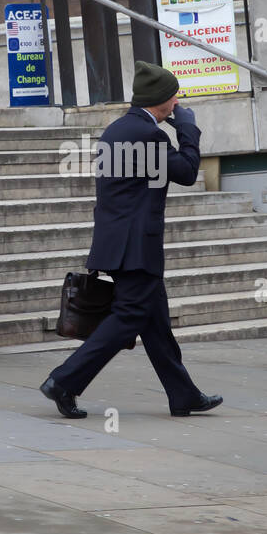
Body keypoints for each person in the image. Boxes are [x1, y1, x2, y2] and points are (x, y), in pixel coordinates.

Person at [40, 61, 222, 419]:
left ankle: (183, 394)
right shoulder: (147, 134)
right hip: (135, 245)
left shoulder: (118, 129)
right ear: (162, 101)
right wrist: (188, 130)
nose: (178, 102)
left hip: (121, 241)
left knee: (155, 324)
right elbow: (185, 172)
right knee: (128, 317)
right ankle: (64, 380)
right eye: (174, 97)